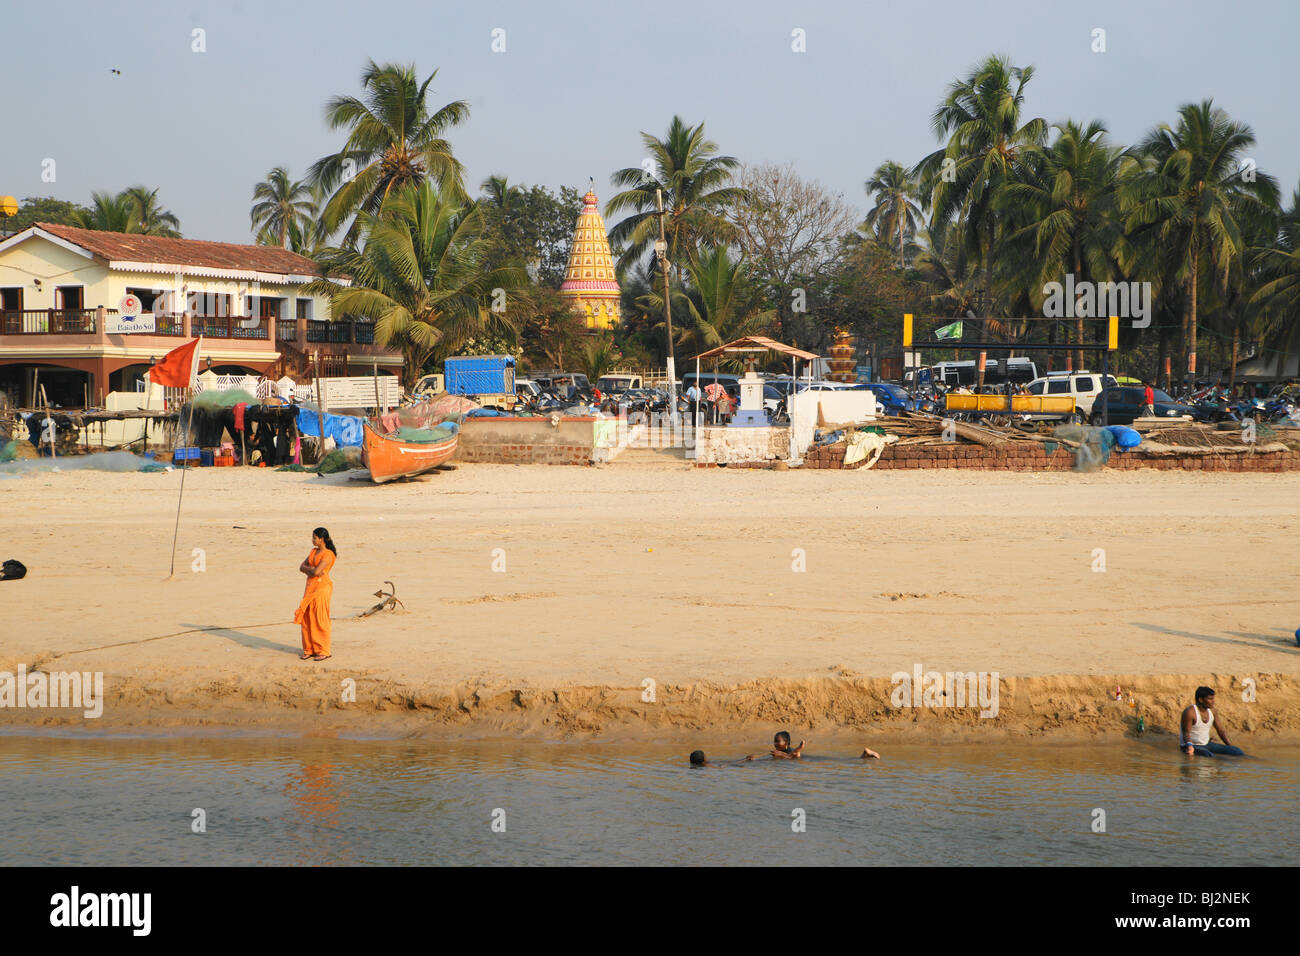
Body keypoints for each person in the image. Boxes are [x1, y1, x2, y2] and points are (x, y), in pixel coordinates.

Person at [295, 527, 336, 661]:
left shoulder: (328, 554)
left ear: (322, 539)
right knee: (307, 618)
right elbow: (302, 566)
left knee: (320, 618)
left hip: (322, 588)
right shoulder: (313, 551)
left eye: (314, 538)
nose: (312, 540)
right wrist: (310, 569)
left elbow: (317, 572)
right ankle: (309, 649)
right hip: (310, 588)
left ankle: (323, 650)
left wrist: (311, 570)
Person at [1179, 686, 1244, 757]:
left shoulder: (1213, 711)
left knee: (1237, 751)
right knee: (1209, 755)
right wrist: (1189, 746)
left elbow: (1221, 731)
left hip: (1206, 744)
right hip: (1192, 745)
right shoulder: (1190, 712)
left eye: (1213, 699)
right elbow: (1186, 732)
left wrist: (1230, 746)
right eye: (1210, 699)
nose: (1213, 702)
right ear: (1201, 700)